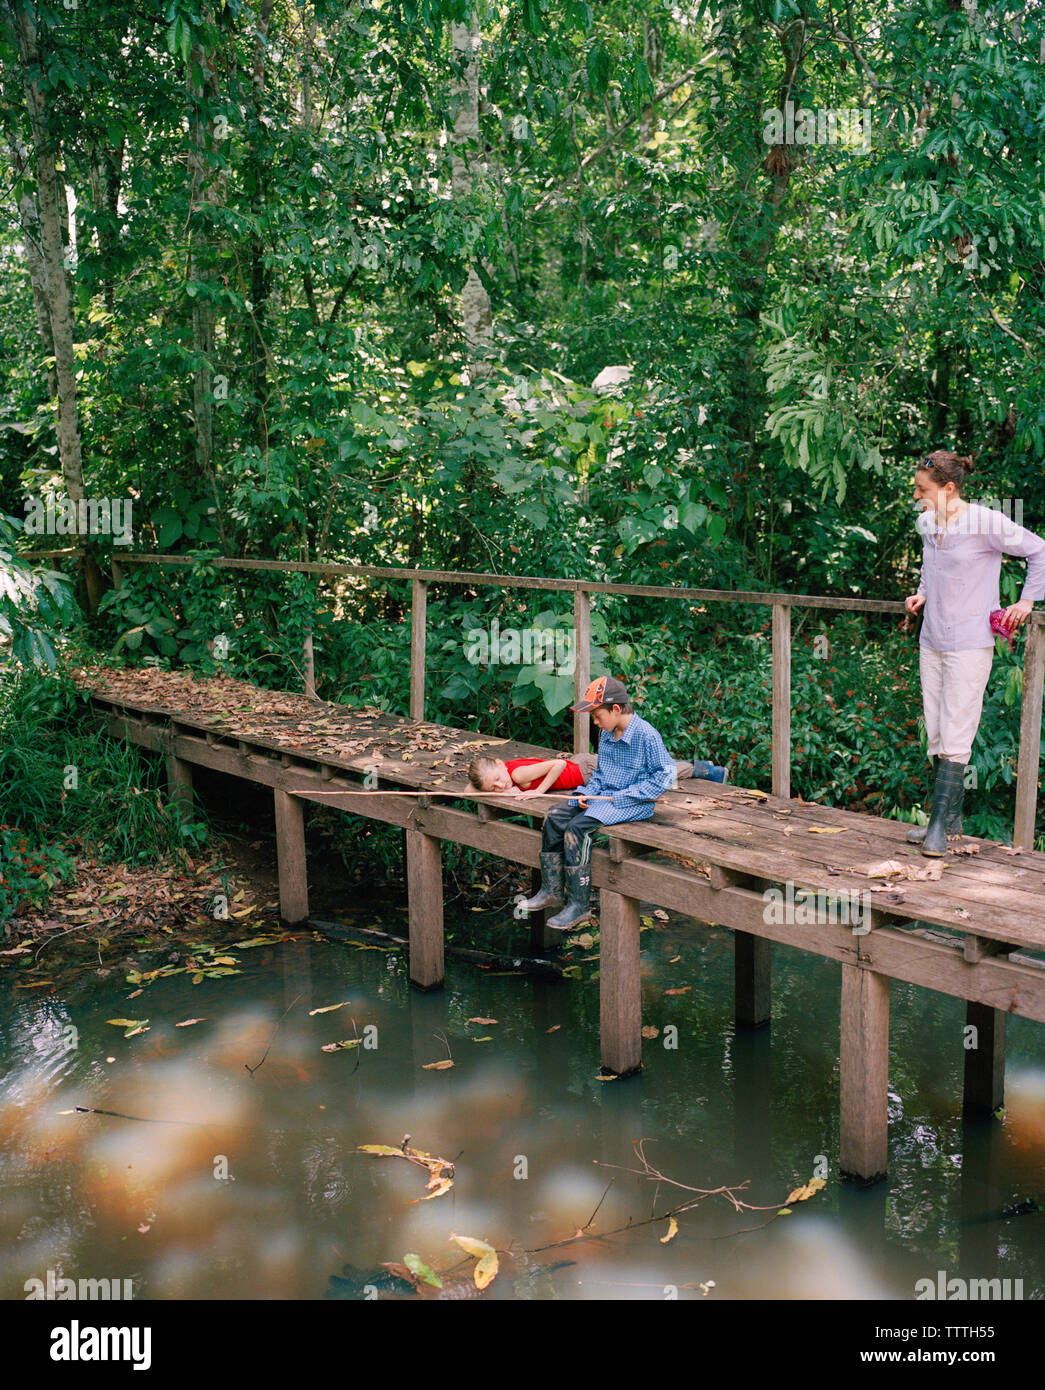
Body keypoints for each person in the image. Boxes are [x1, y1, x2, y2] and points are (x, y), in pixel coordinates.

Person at [903, 451, 1045, 856]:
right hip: (932, 640)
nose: (916, 496)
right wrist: (923, 592)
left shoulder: (985, 522)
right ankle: (950, 823)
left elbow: (1039, 551)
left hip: (969, 642)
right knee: (936, 729)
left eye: (922, 489)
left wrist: (1026, 602)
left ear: (949, 488)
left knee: (957, 729)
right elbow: (931, 565)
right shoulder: (927, 522)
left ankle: (935, 828)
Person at [519, 675, 680, 930]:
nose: (595, 722)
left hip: (633, 802)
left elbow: (667, 775)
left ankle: (579, 905)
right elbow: (601, 775)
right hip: (602, 797)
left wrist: (627, 794)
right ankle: (551, 890)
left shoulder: (646, 735)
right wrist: (585, 793)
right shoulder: (606, 734)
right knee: (554, 815)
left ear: (615, 709)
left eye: (597, 716)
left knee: (576, 829)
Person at [467, 751, 727, 800]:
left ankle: (701, 769)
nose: (501, 786)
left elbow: (556, 766)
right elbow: (469, 789)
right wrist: (496, 788)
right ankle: (698, 768)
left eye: (499, 779)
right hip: (583, 767)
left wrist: (537, 791)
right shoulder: (504, 771)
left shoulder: (520, 775)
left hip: (588, 771)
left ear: (501, 765)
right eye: (494, 787)